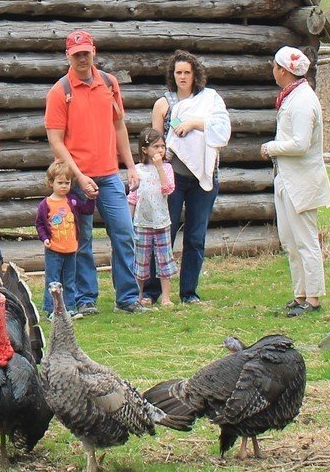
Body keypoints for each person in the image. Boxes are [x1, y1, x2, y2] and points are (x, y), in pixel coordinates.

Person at [44, 29, 146, 315]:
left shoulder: (109, 83)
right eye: (76, 54)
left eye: (86, 53)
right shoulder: (59, 91)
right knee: (82, 240)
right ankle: (86, 298)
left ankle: (127, 298)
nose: (82, 59)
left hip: (109, 174)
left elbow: (118, 126)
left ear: (94, 52)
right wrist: (78, 176)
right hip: (76, 180)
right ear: (68, 56)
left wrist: (130, 166)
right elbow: (55, 141)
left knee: (124, 233)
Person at [145, 50, 231, 306]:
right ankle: (152, 290)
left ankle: (189, 291)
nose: (182, 77)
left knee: (195, 236)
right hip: (174, 178)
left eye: (187, 72)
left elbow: (222, 128)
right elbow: (155, 143)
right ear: (172, 75)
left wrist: (194, 123)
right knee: (164, 232)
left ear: (195, 75)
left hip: (204, 177)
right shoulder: (163, 104)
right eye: (178, 72)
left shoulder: (209, 100)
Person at [262, 46, 330, 317]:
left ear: (283, 71)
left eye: (275, 67)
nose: (273, 71)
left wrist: (271, 147)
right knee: (290, 241)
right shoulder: (291, 97)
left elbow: (301, 144)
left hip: (302, 180)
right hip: (287, 177)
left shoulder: (303, 100)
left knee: (305, 240)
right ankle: (299, 294)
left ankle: (313, 298)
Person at [35, 159, 94, 318]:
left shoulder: (72, 201)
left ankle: (70, 308)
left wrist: (91, 197)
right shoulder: (46, 204)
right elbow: (39, 224)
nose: (64, 186)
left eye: (67, 183)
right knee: (53, 280)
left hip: (71, 249)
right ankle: (51, 310)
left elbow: (87, 210)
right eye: (60, 183)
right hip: (54, 249)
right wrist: (44, 238)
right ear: (51, 183)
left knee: (69, 280)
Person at [130, 129, 178, 307]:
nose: (160, 150)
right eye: (156, 146)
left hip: (162, 222)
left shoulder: (167, 168)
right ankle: (137, 296)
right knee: (141, 261)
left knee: (164, 259)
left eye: (162, 146)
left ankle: (166, 297)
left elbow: (168, 189)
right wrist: (129, 221)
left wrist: (159, 167)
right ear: (145, 149)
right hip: (141, 223)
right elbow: (132, 197)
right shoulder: (137, 170)